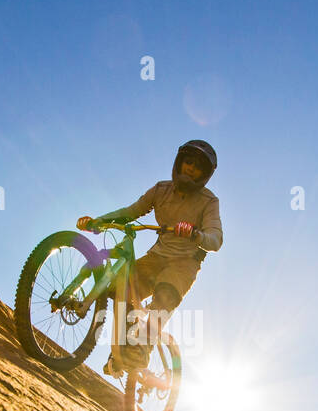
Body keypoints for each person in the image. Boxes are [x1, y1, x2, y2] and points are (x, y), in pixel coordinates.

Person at [77, 140, 222, 375]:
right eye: (188, 162)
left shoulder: (209, 201)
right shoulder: (161, 189)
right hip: (156, 257)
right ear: (179, 162)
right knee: (120, 288)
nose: (191, 168)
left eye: (198, 167)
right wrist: (99, 222)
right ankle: (123, 345)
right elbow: (130, 212)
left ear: (204, 175)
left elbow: (216, 239)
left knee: (165, 294)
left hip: (185, 262)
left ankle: (142, 348)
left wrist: (196, 234)